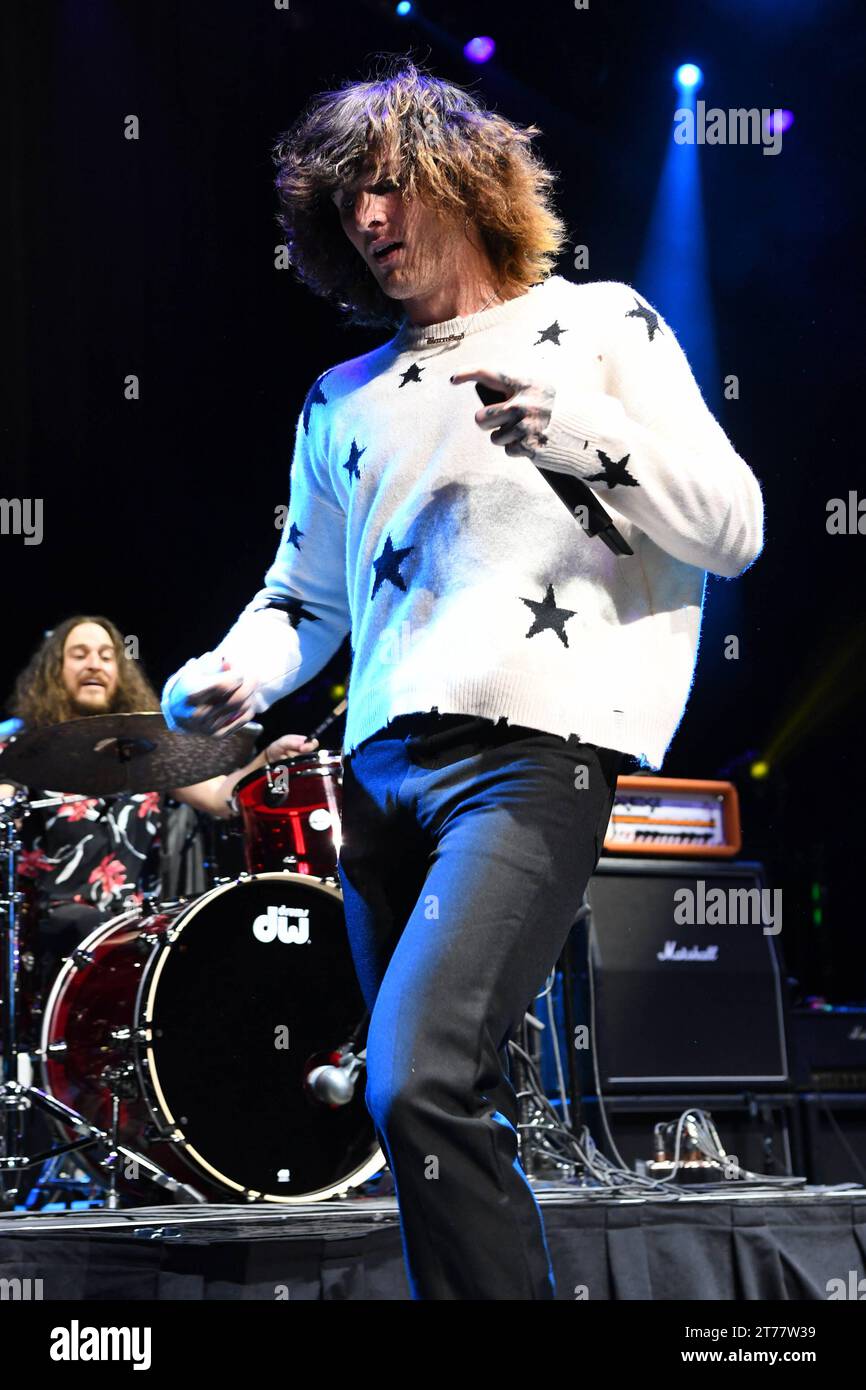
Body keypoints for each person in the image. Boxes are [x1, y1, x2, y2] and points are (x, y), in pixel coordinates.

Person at [160, 62, 765, 1300]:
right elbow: (303, 601)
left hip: (527, 760)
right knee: (432, 1106)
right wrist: (223, 677)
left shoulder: (601, 324)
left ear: (464, 180)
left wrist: (574, 433)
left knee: (416, 1078)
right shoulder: (341, 399)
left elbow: (733, 527)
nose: (367, 218)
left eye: (387, 186)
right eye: (343, 204)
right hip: (377, 781)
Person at [0, 615, 317, 991]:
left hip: (133, 926)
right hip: (50, 926)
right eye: (79, 655)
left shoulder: (149, 747)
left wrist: (267, 761)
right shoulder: (22, 747)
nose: (94, 664)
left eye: (106, 656)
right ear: (54, 670)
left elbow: (219, 798)